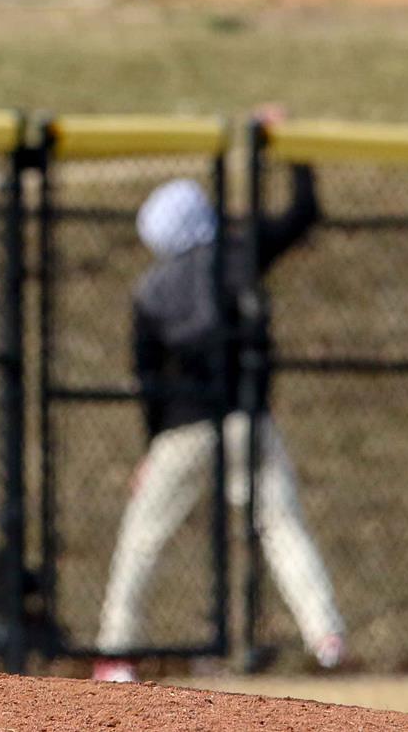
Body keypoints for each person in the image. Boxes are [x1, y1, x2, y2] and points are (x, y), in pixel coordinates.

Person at [92, 159, 346, 682]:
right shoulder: (237, 255)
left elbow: (148, 378)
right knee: (280, 524)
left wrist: (151, 445)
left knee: (143, 537)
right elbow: (303, 213)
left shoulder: (152, 291)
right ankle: (325, 635)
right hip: (245, 419)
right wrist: (291, 153)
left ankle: (117, 653)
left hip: (183, 427)